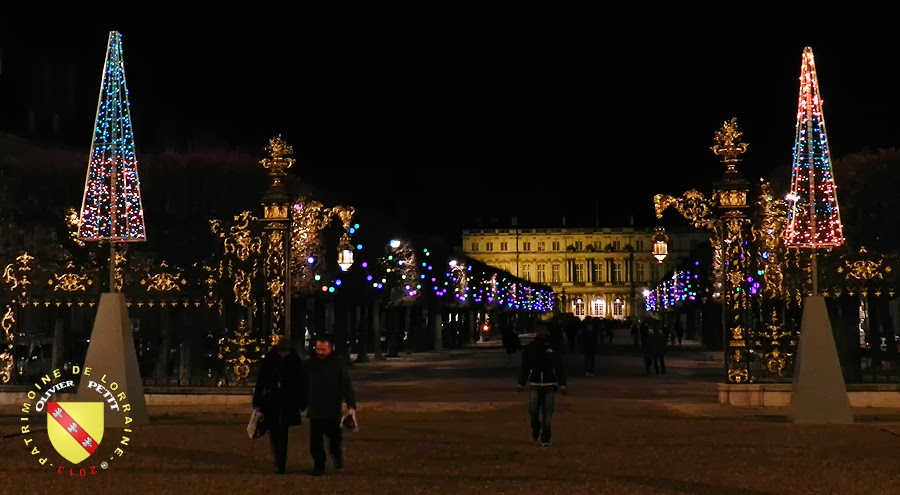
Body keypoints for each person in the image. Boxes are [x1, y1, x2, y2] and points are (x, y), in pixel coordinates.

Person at [252, 337, 307, 474]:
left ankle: (281, 461)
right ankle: (279, 459)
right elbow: (261, 382)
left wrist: (301, 401)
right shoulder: (272, 360)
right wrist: (257, 402)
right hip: (273, 401)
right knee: (275, 432)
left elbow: (301, 383)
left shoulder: (294, 362)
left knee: (282, 432)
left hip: (286, 400)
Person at [305, 334, 357, 476]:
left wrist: (351, 403)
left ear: (330, 348)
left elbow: (346, 384)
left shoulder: (338, 364)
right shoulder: (310, 364)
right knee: (315, 441)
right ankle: (319, 465)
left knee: (334, 439)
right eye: (318, 349)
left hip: (331, 408)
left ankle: (337, 456)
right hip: (315, 407)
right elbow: (303, 384)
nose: (320, 352)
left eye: (323, 349)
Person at [516, 325, 567, 447]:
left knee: (548, 414)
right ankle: (536, 427)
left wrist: (562, 384)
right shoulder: (530, 348)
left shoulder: (553, 348)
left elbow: (559, 367)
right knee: (533, 410)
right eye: (540, 331)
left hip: (550, 384)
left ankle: (546, 437)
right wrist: (521, 382)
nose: (542, 333)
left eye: (544, 330)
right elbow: (525, 367)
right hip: (535, 383)